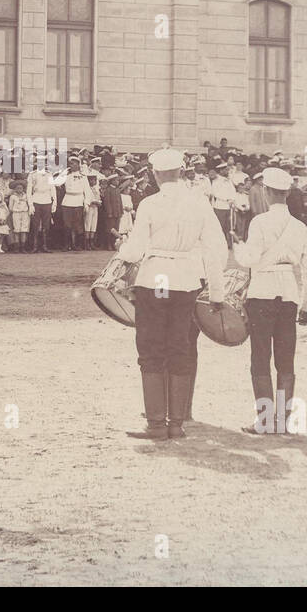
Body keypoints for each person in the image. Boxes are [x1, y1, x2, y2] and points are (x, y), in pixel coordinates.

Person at [117, 147, 228, 441]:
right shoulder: (200, 203)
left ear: (155, 174)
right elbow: (216, 250)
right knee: (180, 347)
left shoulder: (150, 204)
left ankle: (155, 424)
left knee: (151, 348)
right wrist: (217, 293)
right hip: (186, 281)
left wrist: (122, 250)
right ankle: (176, 424)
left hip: (155, 280)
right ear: (181, 172)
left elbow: (135, 249)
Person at [239, 166, 307, 435]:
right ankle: (283, 420)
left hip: (262, 291)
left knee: (260, 356)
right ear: (286, 193)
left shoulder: (259, 222)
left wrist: (239, 248)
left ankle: (264, 420)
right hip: (289, 294)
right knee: (286, 358)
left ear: (266, 191)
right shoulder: (299, 227)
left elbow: (249, 259)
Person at [57, 156, 90, 250]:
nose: (72, 165)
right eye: (70, 164)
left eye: (74, 163)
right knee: (67, 225)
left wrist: (86, 203)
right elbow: (57, 183)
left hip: (78, 200)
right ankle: (67, 245)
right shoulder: (66, 175)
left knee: (77, 225)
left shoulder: (83, 177)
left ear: (78, 165)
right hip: (67, 200)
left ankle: (77, 245)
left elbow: (87, 191)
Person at [26, 154, 57, 253]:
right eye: (39, 162)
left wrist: (54, 202)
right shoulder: (32, 174)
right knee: (35, 225)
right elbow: (29, 190)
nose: (41, 164)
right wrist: (30, 204)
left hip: (47, 200)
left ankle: (44, 246)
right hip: (36, 199)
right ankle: (35, 246)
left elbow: (53, 189)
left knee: (46, 225)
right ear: (36, 163)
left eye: (42, 163)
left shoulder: (49, 174)